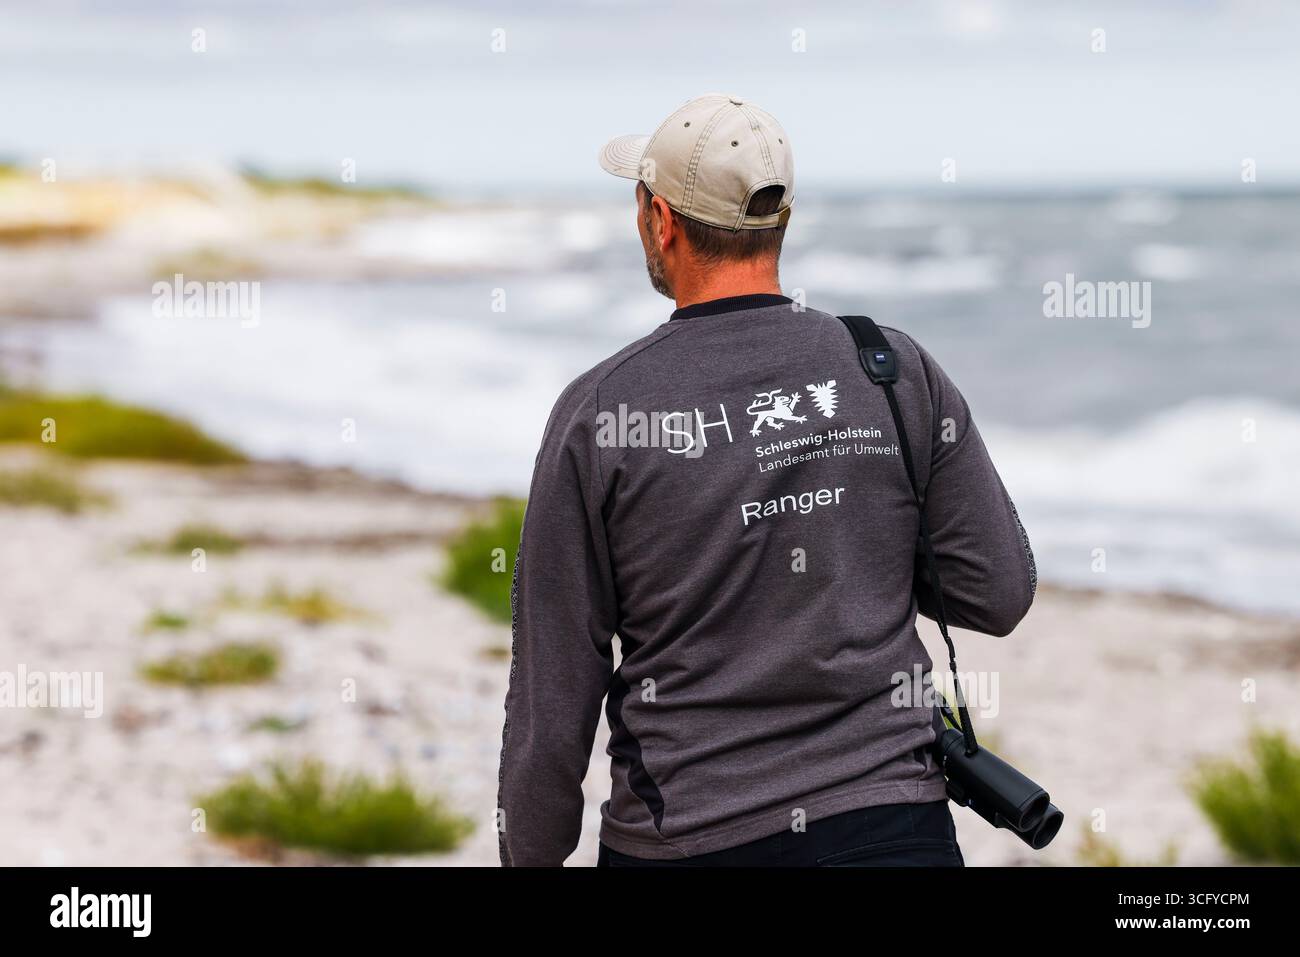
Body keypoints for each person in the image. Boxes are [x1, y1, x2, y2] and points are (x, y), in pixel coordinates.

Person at [496, 94, 1037, 867]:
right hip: (894, 823)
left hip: (688, 837)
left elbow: (553, 699)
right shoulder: (888, 368)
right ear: (779, 219)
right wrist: (856, 536)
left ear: (661, 220)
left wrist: (531, 855)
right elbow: (999, 591)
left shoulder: (603, 408)